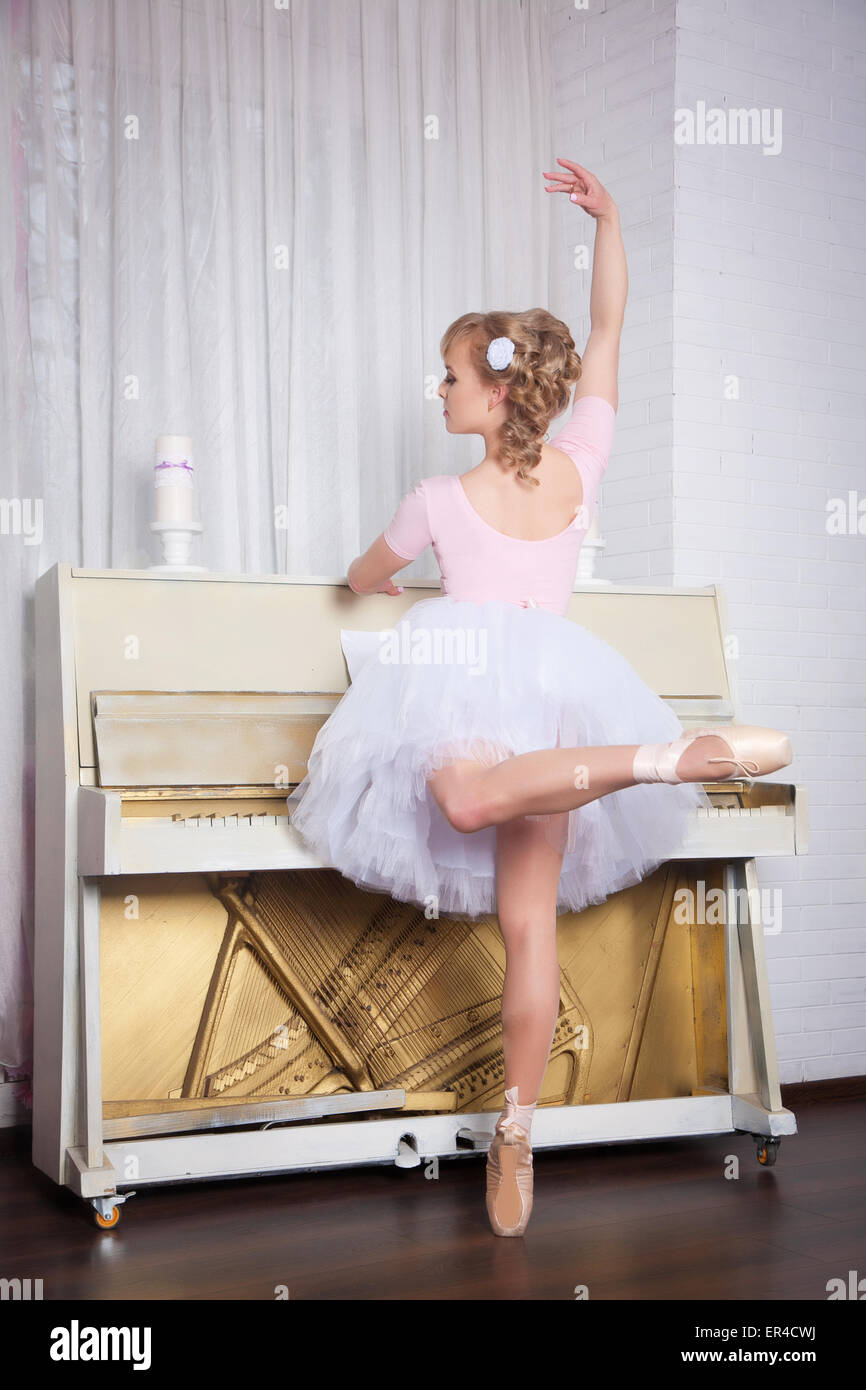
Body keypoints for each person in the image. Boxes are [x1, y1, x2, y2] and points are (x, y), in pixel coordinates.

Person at [286, 159, 792, 1238]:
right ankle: (650, 759)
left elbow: (356, 582)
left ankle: (513, 1133)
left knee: (478, 827)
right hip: (564, 710)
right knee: (526, 929)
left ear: (499, 388)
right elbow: (608, 330)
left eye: (452, 376)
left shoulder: (434, 497)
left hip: (464, 701)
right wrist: (611, 218)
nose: (441, 389)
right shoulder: (581, 461)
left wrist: (409, 584)